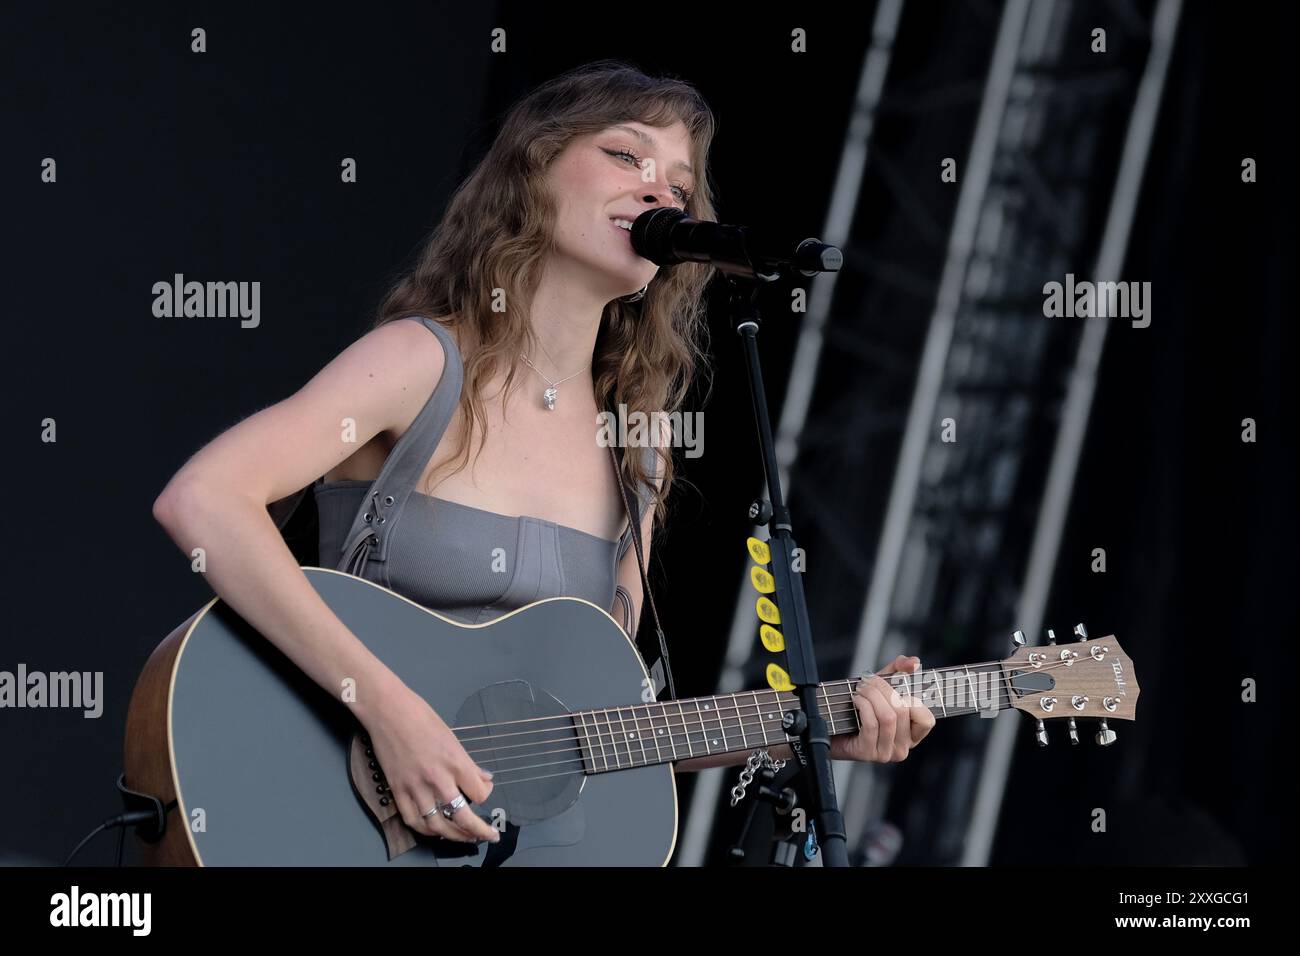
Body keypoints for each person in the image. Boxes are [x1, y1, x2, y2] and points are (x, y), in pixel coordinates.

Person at [152, 60, 934, 851]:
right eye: (627, 157)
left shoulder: (638, 444)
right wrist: (392, 713)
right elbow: (205, 500)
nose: (660, 192)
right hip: (327, 815)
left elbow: (604, 729)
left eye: (680, 185)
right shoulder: (421, 363)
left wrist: (807, 732)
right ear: (532, 169)